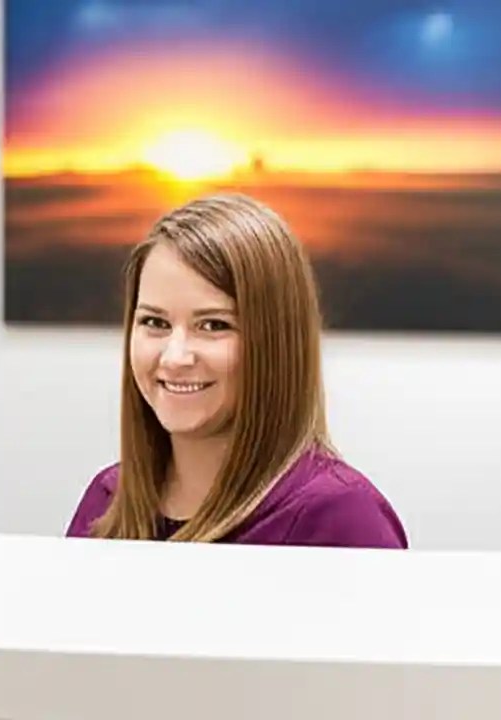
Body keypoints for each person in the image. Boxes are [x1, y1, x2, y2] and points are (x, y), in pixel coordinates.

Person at [65, 193, 407, 548]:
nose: (175, 356)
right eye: (155, 322)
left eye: (213, 325)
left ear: (277, 341)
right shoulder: (106, 499)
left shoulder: (341, 517)